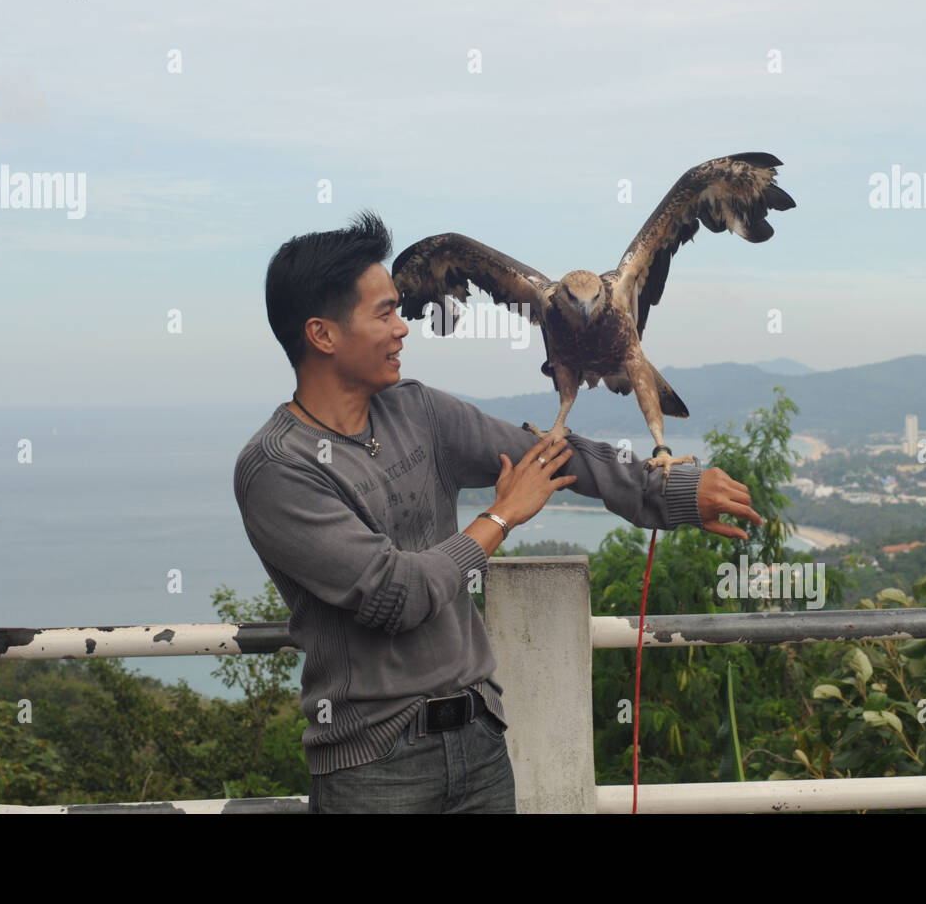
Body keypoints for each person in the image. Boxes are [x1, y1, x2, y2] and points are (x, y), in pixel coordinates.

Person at [233, 211, 762, 813]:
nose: (403, 329)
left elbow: (545, 454)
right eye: (384, 313)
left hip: (479, 744)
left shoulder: (416, 411)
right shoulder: (280, 468)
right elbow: (394, 596)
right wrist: (502, 517)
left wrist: (671, 492)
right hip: (373, 770)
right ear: (322, 335)